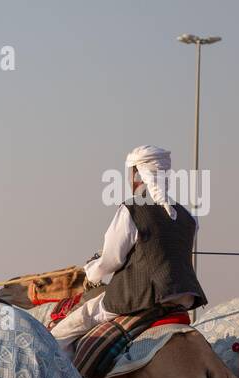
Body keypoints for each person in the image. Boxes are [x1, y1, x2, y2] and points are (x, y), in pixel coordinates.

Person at [51, 145, 207, 354]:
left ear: (138, 174)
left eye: (130, 173)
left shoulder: (131, 209)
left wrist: (91, 270)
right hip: (183, 298)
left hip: (142, 298)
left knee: (63, 332)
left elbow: (111, 260)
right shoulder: (188, 217)